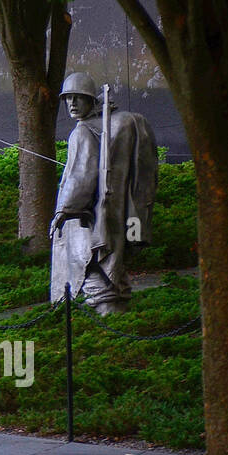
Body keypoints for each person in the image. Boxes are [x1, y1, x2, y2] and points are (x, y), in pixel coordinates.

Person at [50, 71, 159, 314]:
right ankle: (116, 315)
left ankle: (109, 319)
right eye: (68, 98)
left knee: (90, 267)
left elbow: (81, 176)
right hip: (116, 215)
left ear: (92, 100)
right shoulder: (115, 124)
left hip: (88, 220)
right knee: (112, 266)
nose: (73, 104)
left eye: (79, 98)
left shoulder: (83, 131)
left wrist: (63, 210)